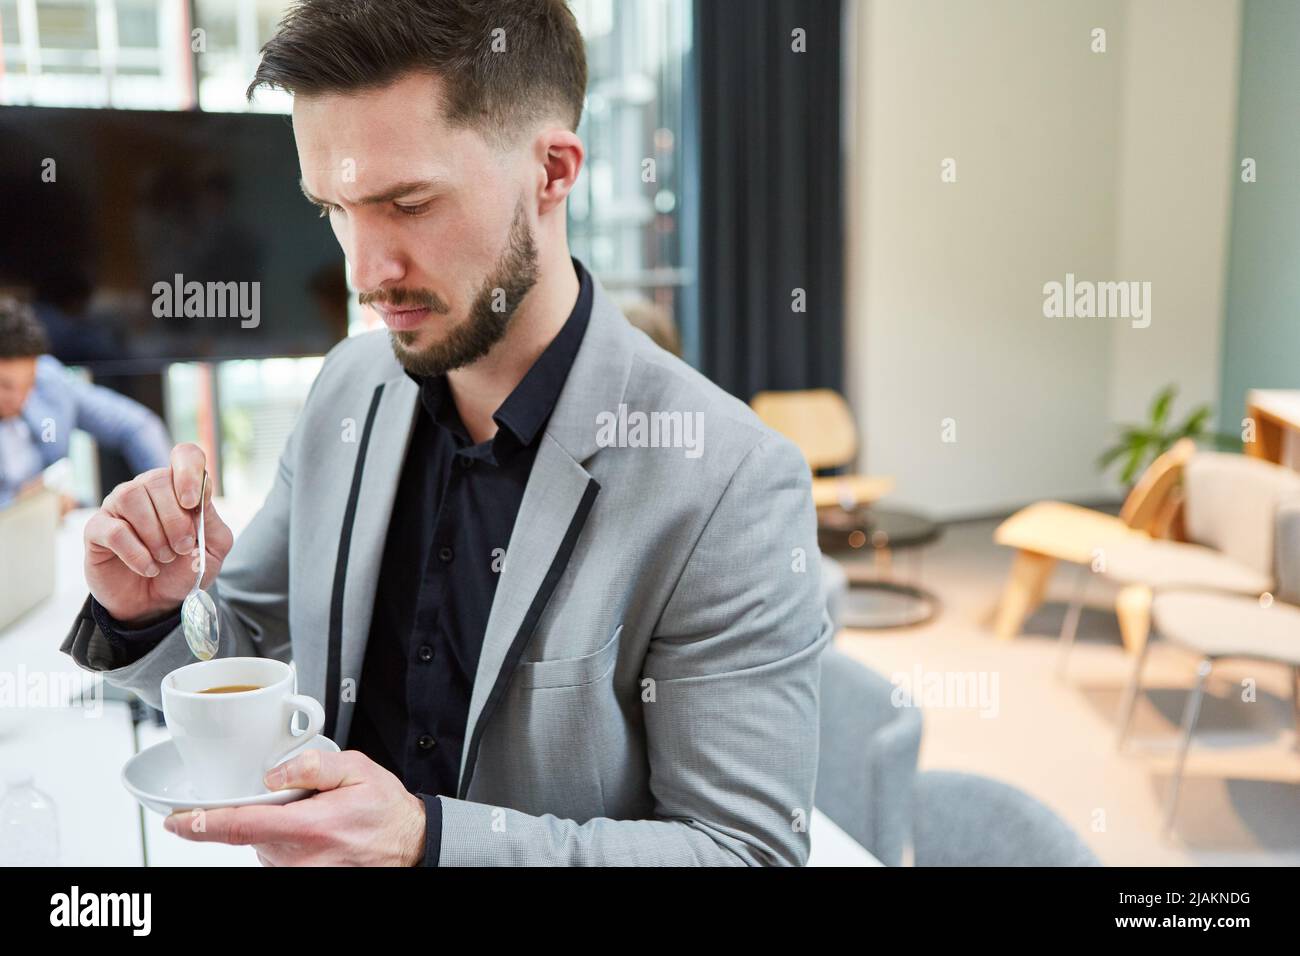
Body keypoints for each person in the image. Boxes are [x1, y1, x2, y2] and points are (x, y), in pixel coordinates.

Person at [62, 0, 831, 867]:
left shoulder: (728, 480)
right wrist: (150, 611)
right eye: (335, 209)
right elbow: (245, 653)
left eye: (409, 203)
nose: (364, 273)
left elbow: (744, 853)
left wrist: (429, 843)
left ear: (552, 171)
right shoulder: (347, 389)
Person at [0, 297, 170, 509]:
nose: (20, 398)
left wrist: (165, 495)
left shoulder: (49, 381)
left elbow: (139, 426)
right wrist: (19, 504)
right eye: (5, 386)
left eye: (28, 383)